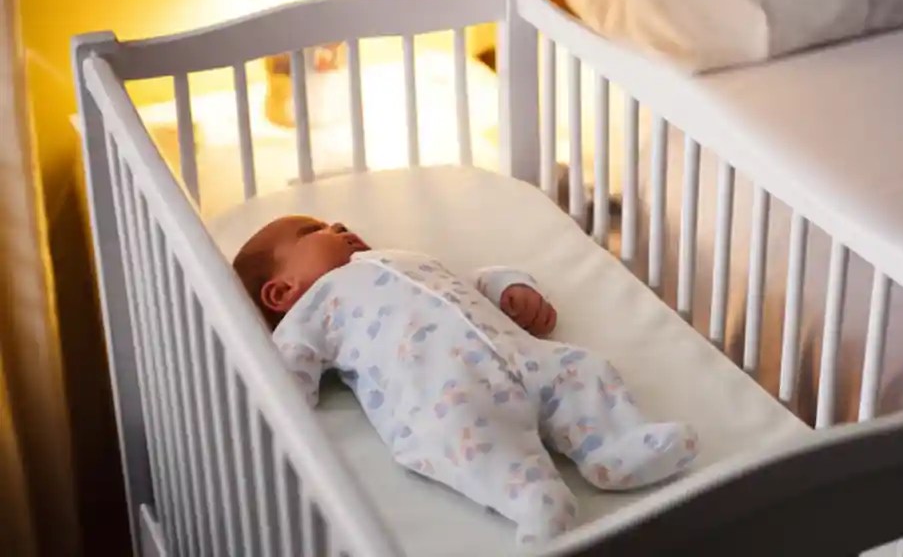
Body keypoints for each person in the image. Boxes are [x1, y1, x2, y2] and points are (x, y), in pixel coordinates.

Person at [233, 216, 698, 544]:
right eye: (316, 231)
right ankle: (530, 496)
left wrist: (513, 289)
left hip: (525, 355)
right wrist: (271, 412)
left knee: (582, 370)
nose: (339, 228)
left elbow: (473, 280)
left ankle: (616, 448)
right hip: (443, 391)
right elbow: (283, 374)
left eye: (338, 224)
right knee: (467, 436)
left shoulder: (406, 259)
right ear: (281, 291)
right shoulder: (313, 309)